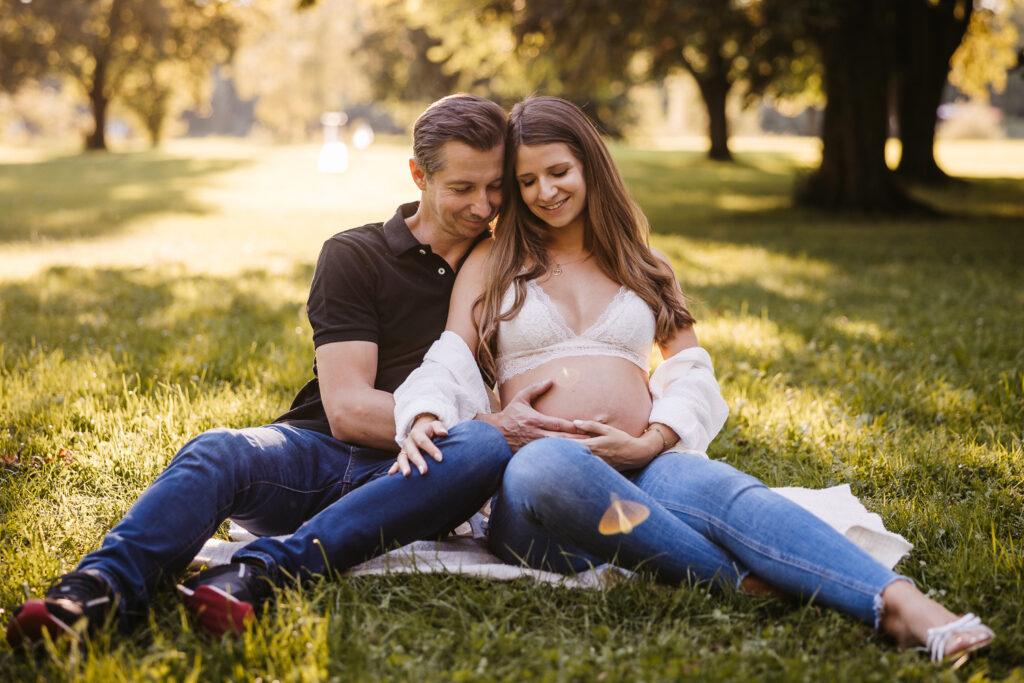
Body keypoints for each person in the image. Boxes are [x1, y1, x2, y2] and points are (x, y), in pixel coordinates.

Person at [394, 96, 995, 664]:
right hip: (539, 504)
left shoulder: (643, 264)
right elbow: (451, 357)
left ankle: (909, 606)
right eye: (526, 182)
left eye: (558, 172)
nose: (545, 192)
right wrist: (424, 413)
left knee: (725, 490)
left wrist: (652, 440)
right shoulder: (493, 261)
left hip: (642, 467)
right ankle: (745, 583)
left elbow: (689, 371)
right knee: (550, 463)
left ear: (590, 166)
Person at [5, 94, 578, 647]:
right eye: (462, 188)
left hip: (424, 474)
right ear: (418, 176)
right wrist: (484, 424)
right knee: (219, 450)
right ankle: (96, 590)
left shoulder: (512, 267)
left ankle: (260, 575)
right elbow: (350, 411)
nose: (483, 207)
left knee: (479, 448)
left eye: (496, 187)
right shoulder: (356, 255)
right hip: (320, 452)